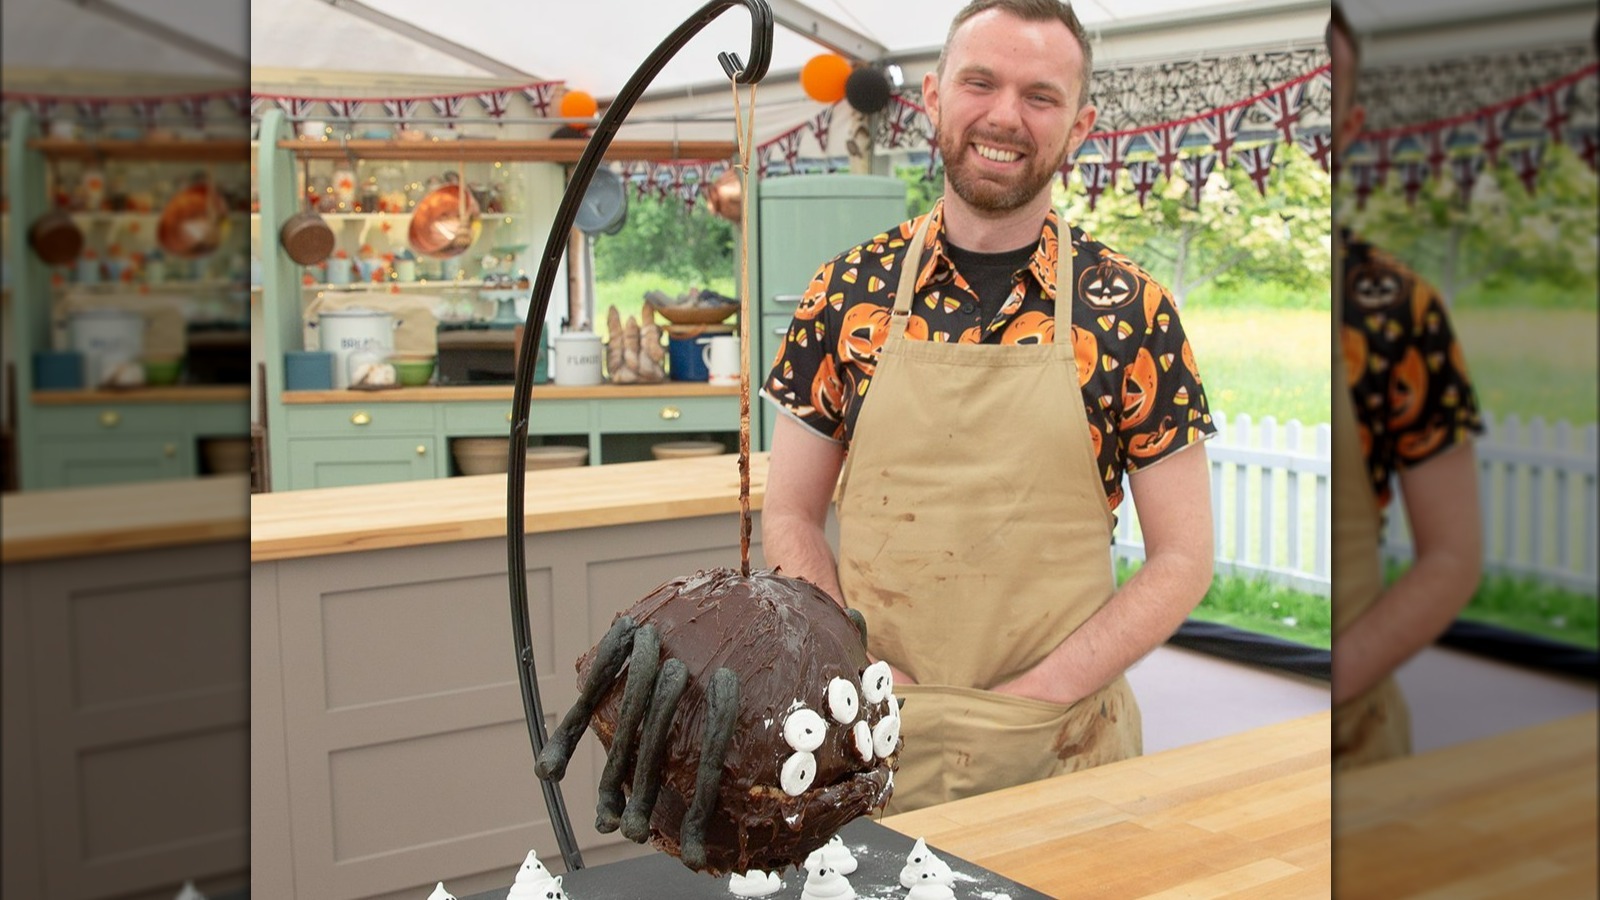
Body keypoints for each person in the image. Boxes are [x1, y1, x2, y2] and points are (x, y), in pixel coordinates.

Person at [759, 0, 1216, 814]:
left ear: (1080, 126)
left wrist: (1041, 696)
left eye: (1041, 96)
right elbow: (790, 514)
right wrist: (856, 667)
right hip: (867, 734)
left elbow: (1183, 558)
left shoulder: (1133, 310)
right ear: (933, 97)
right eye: (981, 82)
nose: (1005, 116)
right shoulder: (844, 293)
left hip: (1066, 748)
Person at [1328, 4, 1484, 769]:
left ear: (1350, 126)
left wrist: (1327, 684)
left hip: (1354, 747)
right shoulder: (1146, 305)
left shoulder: (1391, 309)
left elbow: (1453, 555)